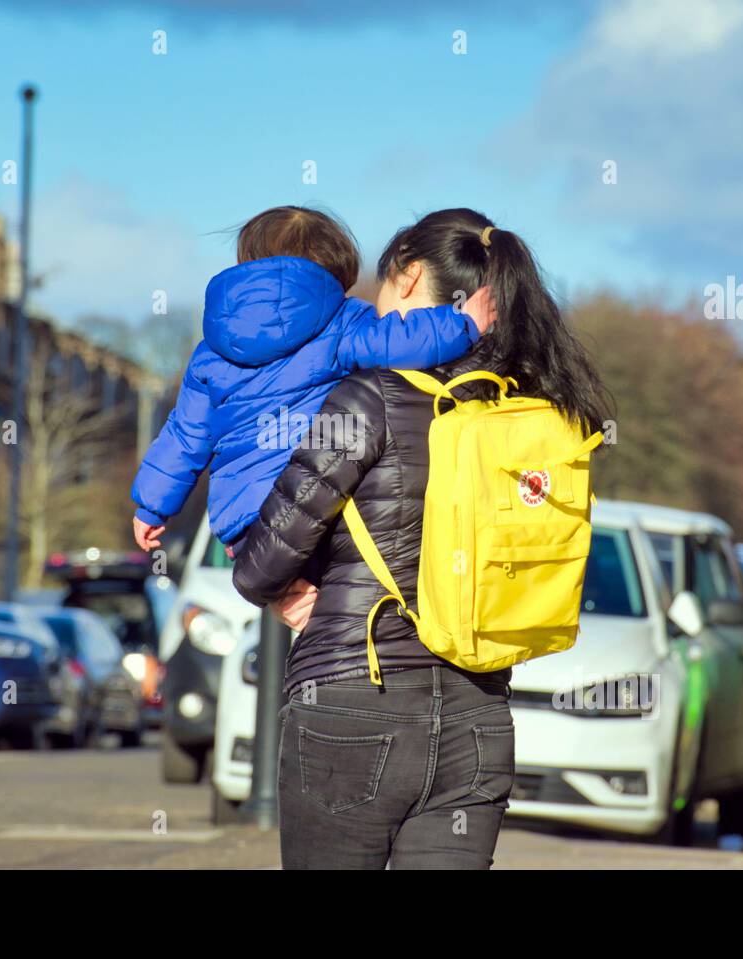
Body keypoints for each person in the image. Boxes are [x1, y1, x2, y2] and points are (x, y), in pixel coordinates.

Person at [232, 208, 611, 869]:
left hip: (352, 703)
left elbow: (261, 563)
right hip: (480, 717)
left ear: (408, 276)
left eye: (381, 283)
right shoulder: (530, 410)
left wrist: (280, 582)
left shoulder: (366, 395)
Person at [129, 205, 494, 558]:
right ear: (334, 267)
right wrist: (464, 322)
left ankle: (289, 592)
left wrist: (151, 507)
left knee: (292, 601)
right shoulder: (341, 322)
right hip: (316, 505)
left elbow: (184, 436)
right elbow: (399, 340)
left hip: (243, 521)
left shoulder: (210, 352)